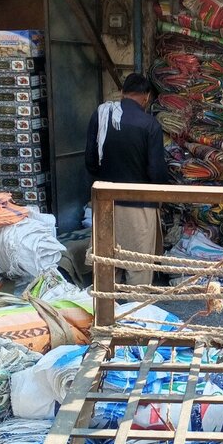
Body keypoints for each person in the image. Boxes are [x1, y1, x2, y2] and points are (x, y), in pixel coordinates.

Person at [85, 73, 167, 287]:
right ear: (147, 97)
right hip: (140, 206)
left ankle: (104, 313)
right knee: (138, 267)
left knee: (107, 264)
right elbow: (156, 171)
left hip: (105, 204)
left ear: (122, 92)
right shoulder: (150, 125)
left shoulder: (101, 115)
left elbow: (90, 162)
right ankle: (135, 315)